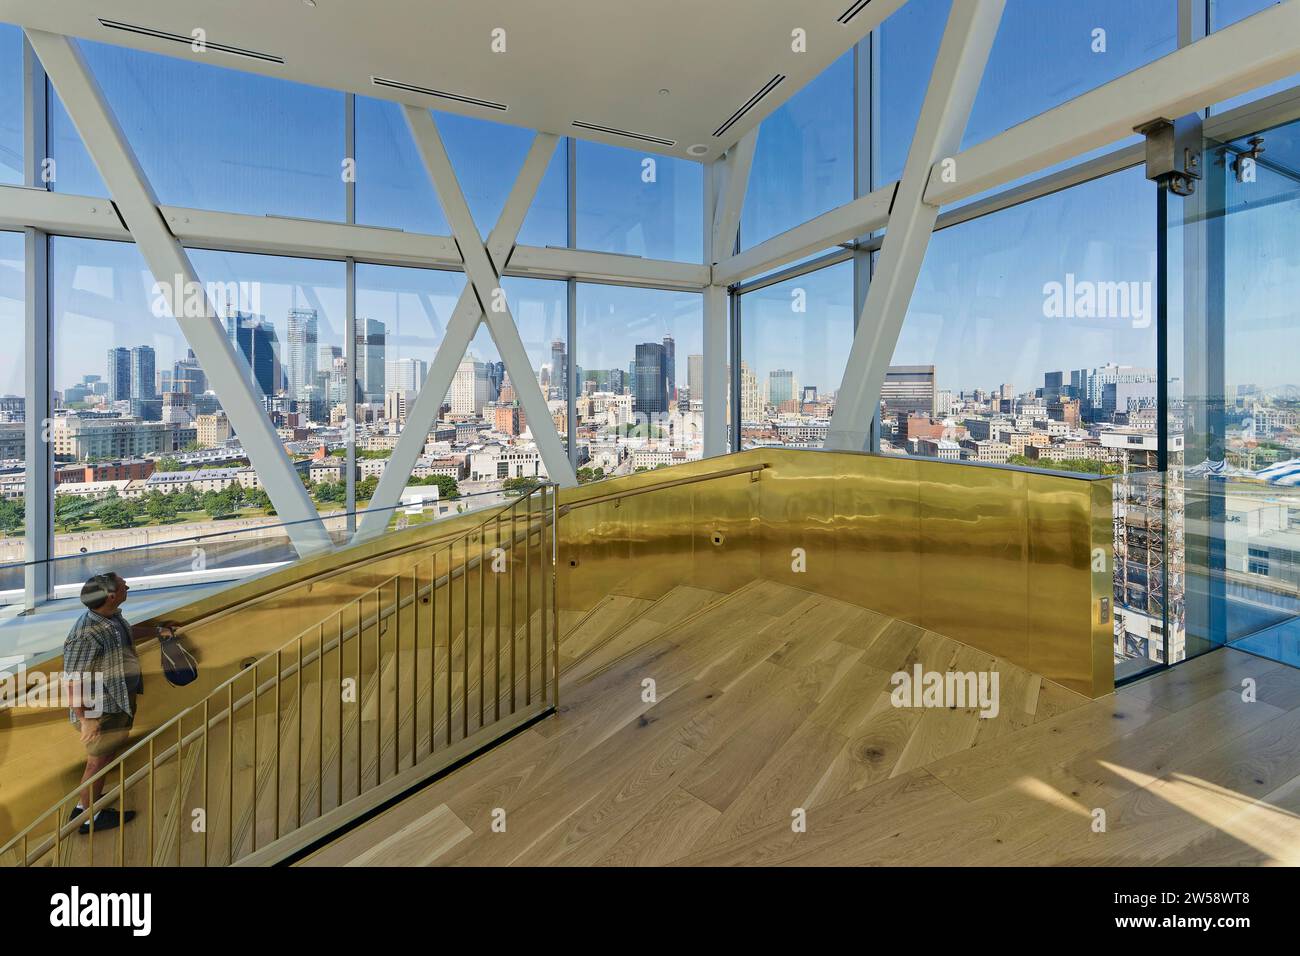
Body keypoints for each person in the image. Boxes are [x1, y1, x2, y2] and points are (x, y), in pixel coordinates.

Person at [62, 571, 176, 835]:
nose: (128, 585)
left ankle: (84, 808)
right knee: (98, 762)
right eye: (123, 584)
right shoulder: (86, 633)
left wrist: (157, 631)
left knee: (105, 758)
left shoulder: (110, 617)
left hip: (117, 702)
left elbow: (124, 633)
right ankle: (89, 820)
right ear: (112, 595)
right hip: (100, 710)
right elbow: (72, 680)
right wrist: (85, 719)